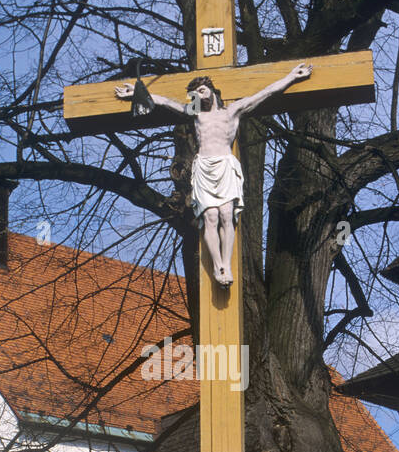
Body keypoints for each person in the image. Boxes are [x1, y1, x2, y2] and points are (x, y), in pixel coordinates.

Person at [116, 63, 312, 286]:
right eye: (194, 94)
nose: (198, 96)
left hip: (225, 165)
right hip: (204, 167)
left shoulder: (232, 111)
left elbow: (266, 93)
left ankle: (226, 264)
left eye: (201, 91)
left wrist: (290, 77)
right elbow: (167, 103)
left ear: (210, 89)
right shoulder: (196, 115)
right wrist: (138, 93)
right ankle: (217, 265)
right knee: (210, 217)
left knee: (226, 215)